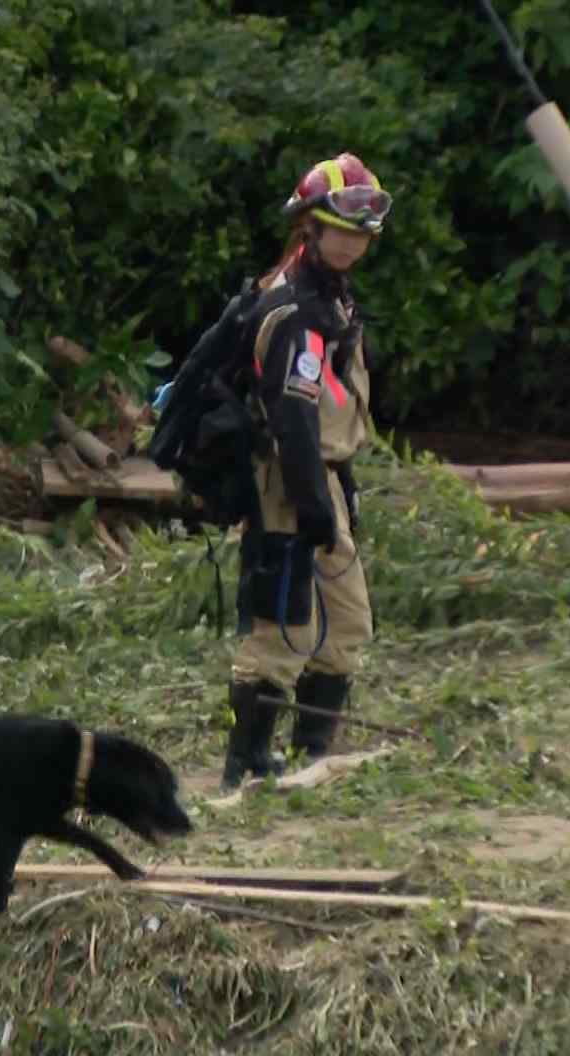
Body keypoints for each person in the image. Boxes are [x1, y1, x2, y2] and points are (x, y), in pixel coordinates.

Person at [219, 153, 389, 790]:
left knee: (344, 622)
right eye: (340, 228)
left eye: (362, 230)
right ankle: (246, 764)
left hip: (325, 479)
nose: (353, 241)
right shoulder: (295, 312)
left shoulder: (333, 299)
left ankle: (313, 753)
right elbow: (291, 415)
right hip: (290, 483)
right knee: (283, 626)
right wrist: (312, 500)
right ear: (309, 229)